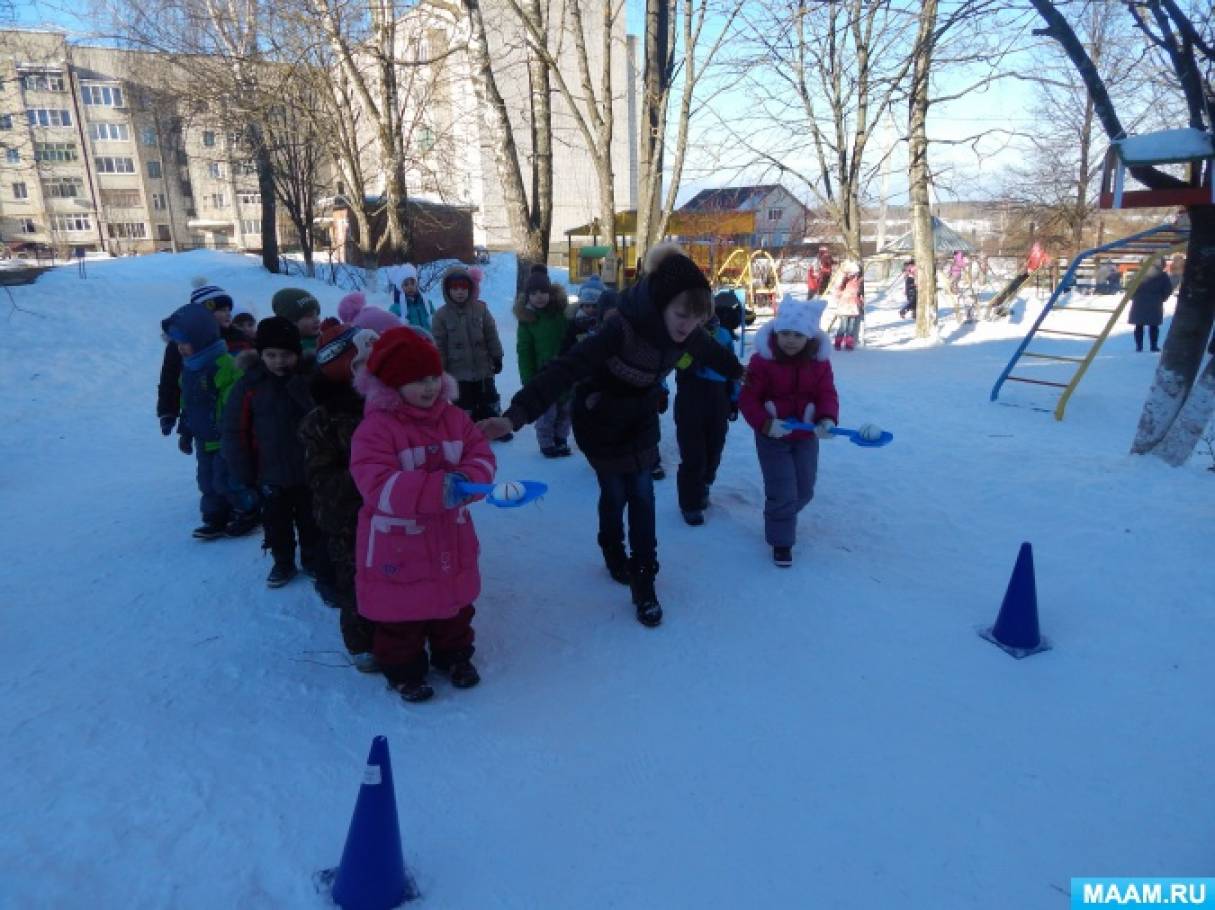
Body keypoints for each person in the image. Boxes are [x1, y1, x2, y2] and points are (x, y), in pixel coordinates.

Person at [477, 242, 742, 628]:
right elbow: (564, 370)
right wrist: (514, 416)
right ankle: (613, 549)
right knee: (616, 493)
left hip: (640, 418)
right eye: (682, 315)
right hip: (600, 417)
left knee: (643, 496)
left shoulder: (688, 332)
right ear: (661, 302)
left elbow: (711, 353)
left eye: (696, 320)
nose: (688, 326)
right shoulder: (621, 328)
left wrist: (739, 373)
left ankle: (644, 580)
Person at [350, 326, 497, 702]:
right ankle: (404, 670)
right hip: (399, 543)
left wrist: (469, 480)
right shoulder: (376, 429)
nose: (429, 387)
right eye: (416, 381)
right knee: (402, 614)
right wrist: (439, 490)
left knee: (453, 606)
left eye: (433, 377)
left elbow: (479, 453)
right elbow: (376, 483)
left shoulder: (454, 418)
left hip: (450, 534)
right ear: (392, 383)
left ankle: (454, 657)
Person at [300, 324, 381, 671]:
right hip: (345, 517)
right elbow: (320, 477)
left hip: (387, 512)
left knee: (389, 571)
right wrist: (369, 477)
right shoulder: (323, 420)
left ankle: (398, 629)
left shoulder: (386, 405)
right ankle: (361, 642)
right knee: (354, 579)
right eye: (364, 365)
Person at [738, 298, 839, 567]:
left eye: (797, 335)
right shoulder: (762, 362)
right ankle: (781, 541)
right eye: (785, 333)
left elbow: (827, 393)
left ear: (809, 336)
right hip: (772, 435)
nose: (790, 340)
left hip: (806, 436)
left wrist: (827, 418)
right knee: (782, 490)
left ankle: (779, 514)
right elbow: (748, 399)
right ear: (775, 331)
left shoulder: (819, 363)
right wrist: (765, 423)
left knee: (804, 490)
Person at [223, 316, 320, 587]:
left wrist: (301, 388)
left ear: (297, 353)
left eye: (286, 354)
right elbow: (234, 431)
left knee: (310, 520)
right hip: (270, 473)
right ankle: (283, 562)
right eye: (271, 355)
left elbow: (320, 416)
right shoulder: (249, 386)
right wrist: (243, 470)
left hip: (307, 470)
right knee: (276, 524)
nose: (279, 361)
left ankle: (312, 559)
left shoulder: (308, 379)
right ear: (260, 354)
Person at [161, 302, 258, 540]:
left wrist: (232, 432)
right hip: (204, 439)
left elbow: (233, 403)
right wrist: (185, 430)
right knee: (206, 480)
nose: (180, 349)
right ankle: (215, 516)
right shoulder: (190, 369)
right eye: (178, 344)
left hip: (225, 438)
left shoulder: (223, 365)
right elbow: (188, 403)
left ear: (202, 338)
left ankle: (247, 510)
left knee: (228, 479)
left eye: (185, 343)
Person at [673, 290, 742, 526]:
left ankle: (704, 483)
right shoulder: (682, 335)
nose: (701, 319)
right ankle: (689, 502)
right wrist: (692, 358)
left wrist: (735, 399)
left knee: (714, 449)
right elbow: (675, 363)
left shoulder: (723, 335)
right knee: (693, 454)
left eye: (705, 313)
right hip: (690, 399)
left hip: (718, 400)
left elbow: (733, 371)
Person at [431, 265, 511, 439]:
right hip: (458, 371)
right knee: (464, 404)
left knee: (488, 399)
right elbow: (439, 345)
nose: (460, 292)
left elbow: (491, 334)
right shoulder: (441, 316)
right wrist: (440, 370)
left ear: (470, 288)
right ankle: (466, 431)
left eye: (464, 288)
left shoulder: (481, 309)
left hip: (483, 368)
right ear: (447, 290)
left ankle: (495, 427)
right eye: (455, 288)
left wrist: (497, 356)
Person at [515, 265, 572, 457]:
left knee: (565, 409)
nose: (539, 297)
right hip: (542, 374)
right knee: (547, 411)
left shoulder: (560, 314)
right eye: (534, 293)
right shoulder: (528, 320)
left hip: (565, 371)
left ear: (550, 293)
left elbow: (571, 337)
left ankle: (561, 438)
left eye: (543, 292)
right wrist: (528, 378)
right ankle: (546, 441)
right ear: (528, 296)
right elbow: (524, 352)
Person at [1128, 264, 1172, 353]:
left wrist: (1134, 297)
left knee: (1139, 325)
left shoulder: (1139, 273)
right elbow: (1168, 289)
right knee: (1154, 325)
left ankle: (1139, 346)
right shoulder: (1162, 276)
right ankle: (1154, 346)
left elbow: (1130, 287)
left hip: (1139, 301)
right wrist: (1162, 298)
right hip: (1155, 301)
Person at [271, 287, 322, 354]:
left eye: (317, 314)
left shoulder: (324, 338)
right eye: (309, 316)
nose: (317, 320)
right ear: (290, 322)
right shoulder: (284, 353)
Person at [388, 264, 435, 332]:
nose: (410, 287)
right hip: (410, 341)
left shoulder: (427, 303)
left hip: (429, 340)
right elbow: (391, 329)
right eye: (406, 284)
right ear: (400, 288)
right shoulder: (395, 308)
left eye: (412, 283)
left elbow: (438, 322)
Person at [832, 260, 864, 350]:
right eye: (853, 274)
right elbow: (838, 288)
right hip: (844, 307)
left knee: (850, 328)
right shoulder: (843, 281)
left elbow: (859, 293)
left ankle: (848, 344)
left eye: (856, 274)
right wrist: (844, 273)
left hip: (853, 307)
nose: (854, 276)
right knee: (843, 326)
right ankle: (838, 343)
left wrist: (860, 301)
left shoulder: (857, 282)